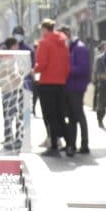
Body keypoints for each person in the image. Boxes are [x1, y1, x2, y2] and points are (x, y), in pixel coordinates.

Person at [32, 19, 70, 155]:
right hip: (60, 83)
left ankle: (53, 145)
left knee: (49, 115)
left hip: (47, 83)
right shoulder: (63, 42)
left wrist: (33, 70)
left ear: (44, 29)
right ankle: (69, 143)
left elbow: (41, 64)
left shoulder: (44, 42)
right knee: (60, 115)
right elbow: (67, 63)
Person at [64, 31, 93, 156]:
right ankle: (72, 144)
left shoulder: (79, 48)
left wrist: (67, 69)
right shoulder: (72, 48)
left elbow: (83, 68)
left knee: (78, 115)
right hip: (70, 86)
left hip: (76, 86)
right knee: (71, 117)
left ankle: (84, 144)